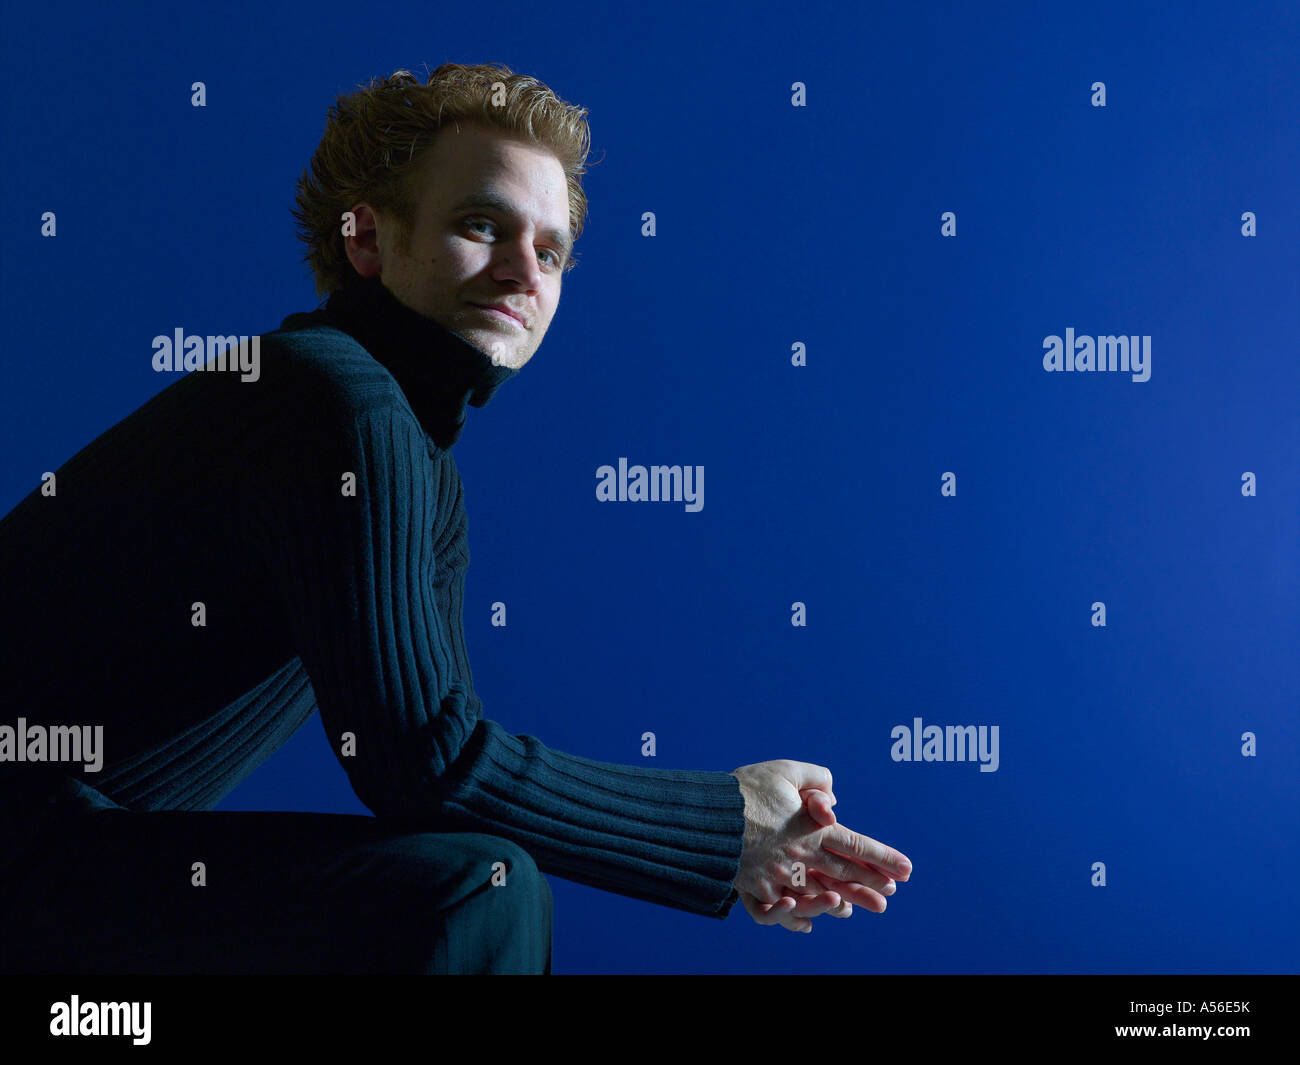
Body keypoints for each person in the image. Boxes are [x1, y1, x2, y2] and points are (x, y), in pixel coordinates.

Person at [0, 63, 910, 974]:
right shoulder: (338, 399)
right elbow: (428, 764)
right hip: (35, 867)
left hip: (67, 871)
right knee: (478, 889)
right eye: (483, 225)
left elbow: (429, 767)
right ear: (367, 241)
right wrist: (727, 823)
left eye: (550, 252)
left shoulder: (406, 460)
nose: (524, 270)